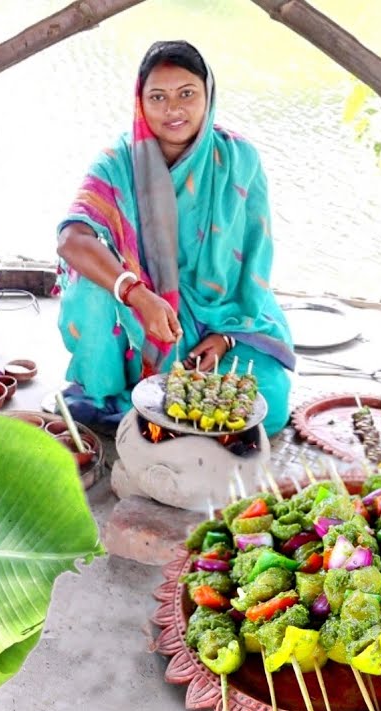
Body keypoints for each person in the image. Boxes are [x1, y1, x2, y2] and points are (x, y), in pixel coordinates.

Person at [55, 40, 294, 434]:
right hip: (139, 319)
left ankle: (167, 389)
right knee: (91, 286)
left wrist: (227, 337)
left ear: (208, 95)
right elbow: (72, 239)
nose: (173, 109)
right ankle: (111, 386)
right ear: (140, 101)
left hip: (219, 315)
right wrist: (136, 293)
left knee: (268, 404)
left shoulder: (239, 160)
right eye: (158, 97)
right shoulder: (117, 163)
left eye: (187, 94)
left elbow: (254, 261)